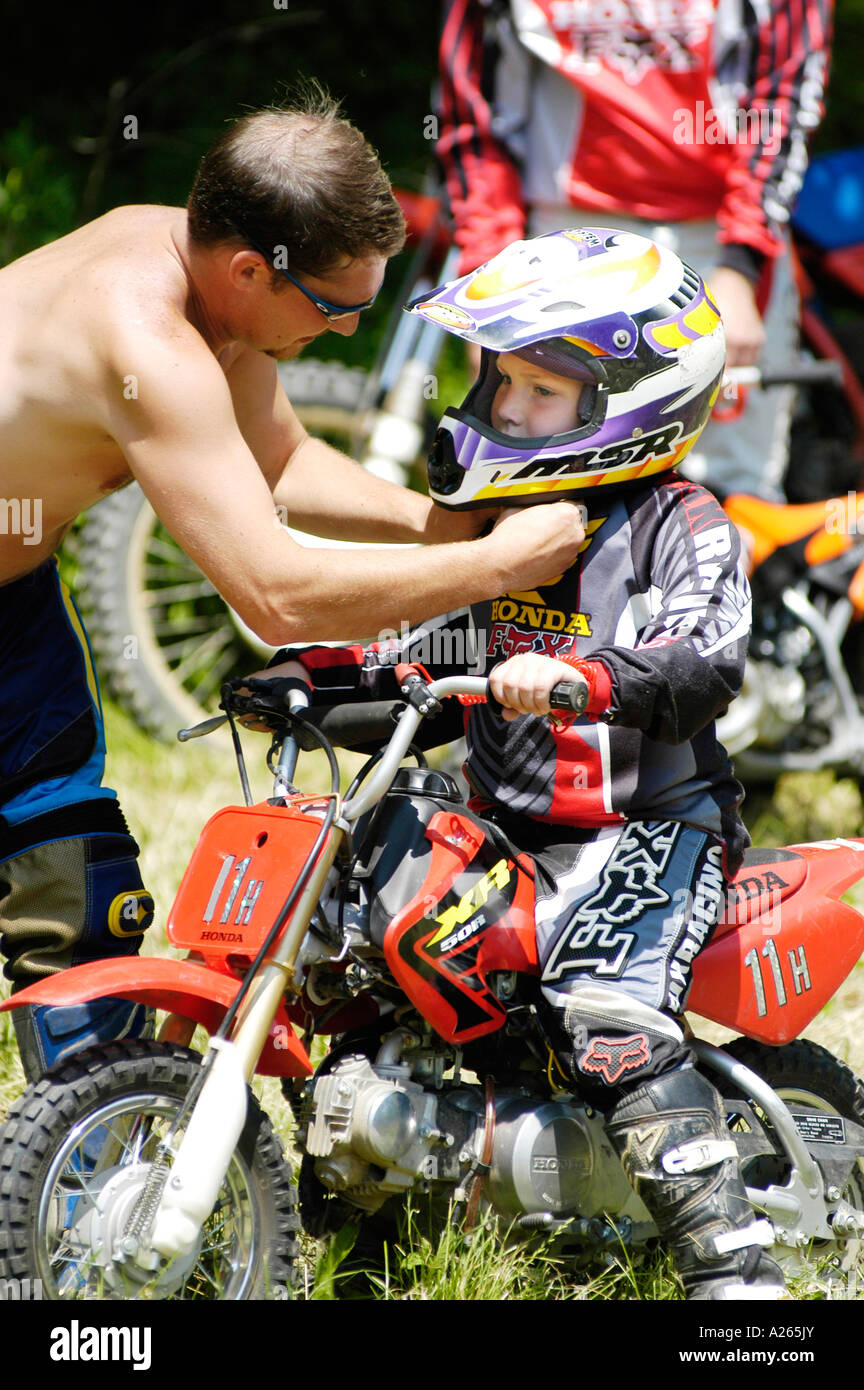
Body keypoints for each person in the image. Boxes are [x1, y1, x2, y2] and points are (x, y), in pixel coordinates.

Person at [0, 91, 587, 1082]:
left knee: (80, 889)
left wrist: (438, 524)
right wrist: (497, 565)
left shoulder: (194, 270)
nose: (349, 328)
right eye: (337, 308)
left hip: (16, 604)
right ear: (249, 270)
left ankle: (88, 1177)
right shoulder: (144, 341)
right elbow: (277, 594)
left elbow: (279, 459)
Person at [264, 227, 785, 1300]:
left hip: (648, 830)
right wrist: (316, 682)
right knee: (361, 953)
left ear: (629, 399)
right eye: (502, 384)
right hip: (507, 826)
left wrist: (587, 676)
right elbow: (427, 651)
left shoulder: (683, 526)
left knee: (611, 1020)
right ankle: (362, 1219)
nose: (505, 413)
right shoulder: (504, 527)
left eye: (542, 394)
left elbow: (705, 659)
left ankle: (742, 1285)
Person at [436, 0, 833, 501]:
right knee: (536, 471)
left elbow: (783, 102)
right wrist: (490, 274)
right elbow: (470, 119)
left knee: (736, 491)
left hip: (717, 237)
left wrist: (741, 265)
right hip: (565, 236)